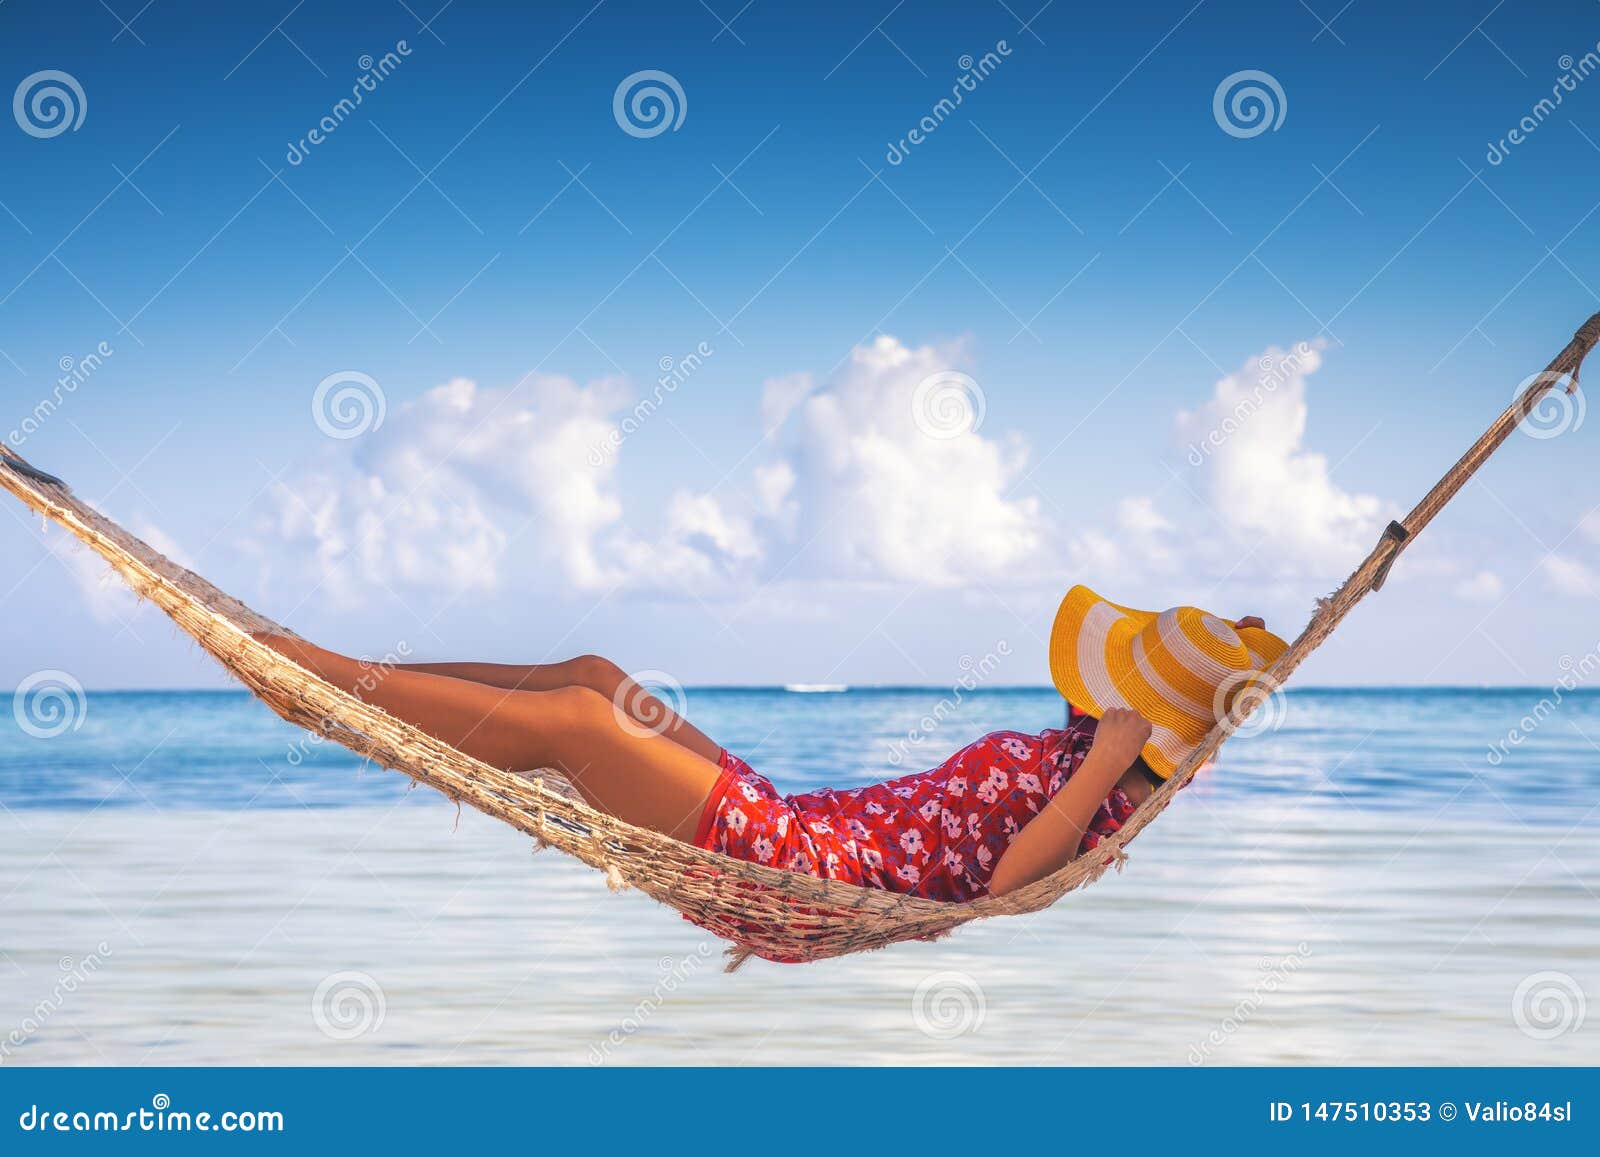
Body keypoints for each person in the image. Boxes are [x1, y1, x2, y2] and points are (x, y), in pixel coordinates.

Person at [256, 585, 1286, 903]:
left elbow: (1007, 881)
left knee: (575, 726)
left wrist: (1117, 762)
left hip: (793, 872)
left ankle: (320, 681)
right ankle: (351, 673)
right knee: (596, 675)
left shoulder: (1110, 801)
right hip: (790, 816)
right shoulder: (1081, 757)